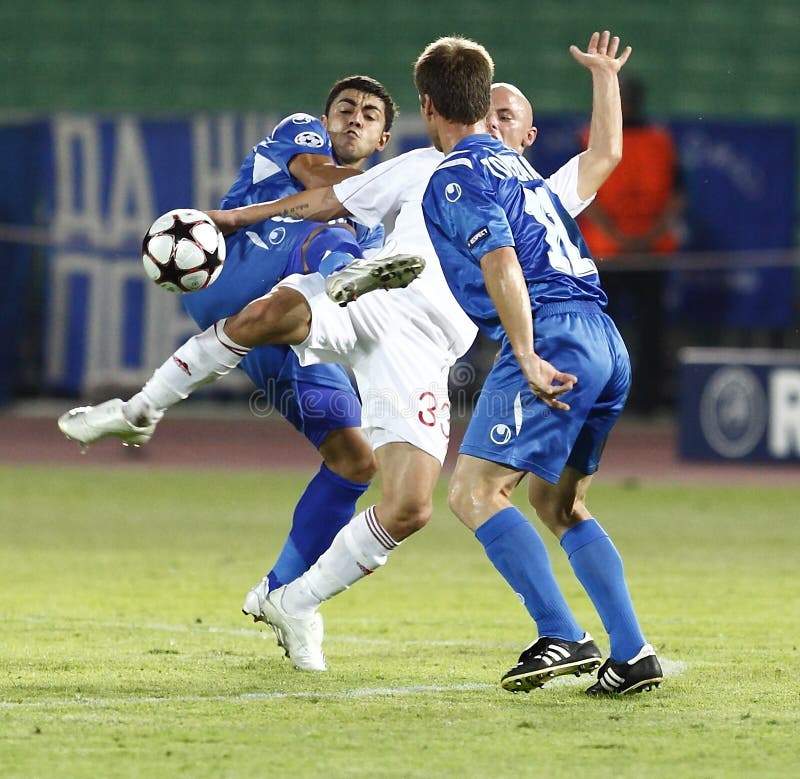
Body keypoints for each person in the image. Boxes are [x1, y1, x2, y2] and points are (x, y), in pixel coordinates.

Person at [59, 33, 625, 682]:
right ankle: (140, 408)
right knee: (288, 302)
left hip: (426, 352)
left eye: (507, 115)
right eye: (485, 109)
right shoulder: (416, 168)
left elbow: (605, 153)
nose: (490, 121)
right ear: (454, 109)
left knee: (410, 505)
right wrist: (237, 220)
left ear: (526, 136)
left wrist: (604, 78)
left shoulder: (534, 192)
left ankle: (293, 600)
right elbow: (322, 199)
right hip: (376, 301)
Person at [59, 76, 409, 598]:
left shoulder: (375, 225)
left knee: (355, 461)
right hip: (235, 271)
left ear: (383, 139)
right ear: (325, 115)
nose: (354, 117)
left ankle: (282, 595)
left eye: (369, 115)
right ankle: (340, 275)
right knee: (332, 234)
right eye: (345, 107)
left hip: (276, 323)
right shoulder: (302, 132)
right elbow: (320, 184)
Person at [418, 33, 663, 695]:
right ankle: (633, 651)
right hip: (605, 339)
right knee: (559, 501)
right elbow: (605, 153)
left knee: (474, 491)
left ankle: (562, 632)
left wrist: (524, 352)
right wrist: (606, 79)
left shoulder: (457, 175)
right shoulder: (524, 174)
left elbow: (500, 261)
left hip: (552, 335)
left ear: (428, 108)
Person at [576, 74, 685, 414]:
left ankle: (646, 401)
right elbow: (581, 193)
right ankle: (599, 398)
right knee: (600, 330)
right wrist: (619, 236)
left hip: (650, 254)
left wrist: (649, 236)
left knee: (651, 330)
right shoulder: (590, 138)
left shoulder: (660, 140)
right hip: (608, 255)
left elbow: (678, 194)